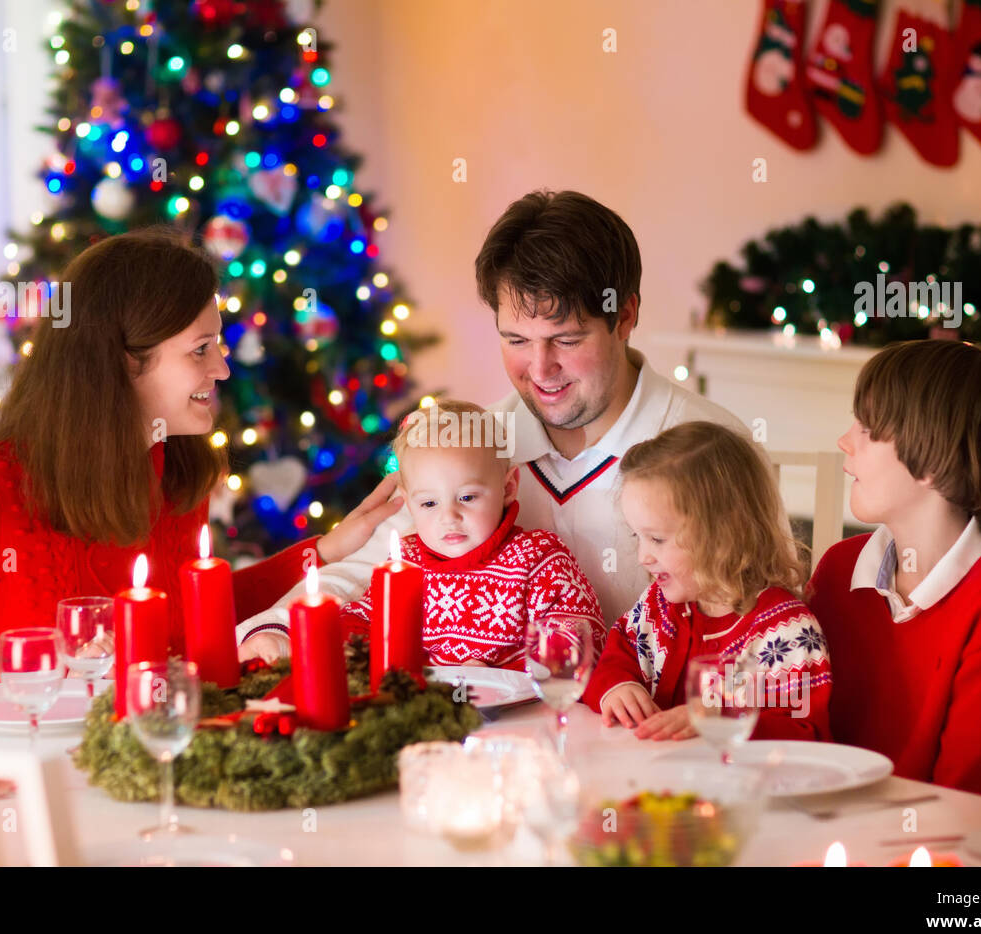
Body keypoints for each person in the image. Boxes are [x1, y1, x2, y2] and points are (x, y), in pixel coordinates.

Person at [0, 229, 399, 711]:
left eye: (220, 345)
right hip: (5, 786)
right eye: (201, 349)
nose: (223, 368)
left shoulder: (174, 471)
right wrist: (55, 683)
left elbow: (195, 611)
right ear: (122, 361)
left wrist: (326, 551)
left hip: (125, 769)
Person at [238, 189, 749, 658]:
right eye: (516, 341)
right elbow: (369, 569)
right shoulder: (474, 443)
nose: (541, 370)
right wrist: (277, 628)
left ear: (625, 317)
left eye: (566, 340)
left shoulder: (708, 447)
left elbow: (755, 624)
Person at [806, 339, 981, 807]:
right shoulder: (839, 568)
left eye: (868, 428)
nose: (846, 440)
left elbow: (962, 803)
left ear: (931, 460)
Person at [582, 422, 832, 742]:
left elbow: (805, 732)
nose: (643, 556)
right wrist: (618, 687)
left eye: (657, 539)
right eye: (638, 536)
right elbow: (618, 656)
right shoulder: (657, 606)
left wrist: (720, 718)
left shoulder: (786, 629)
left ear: (723, 536)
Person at [336, 400, 604, 667]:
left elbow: (578, 644)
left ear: (508, 488)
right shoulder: (405, 565)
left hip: (520, 706)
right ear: (409, 503)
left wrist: (495, 676)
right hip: (425, 704)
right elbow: (363, 619)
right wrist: (353, 648)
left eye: (466, 497)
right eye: (429, 503)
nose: (449, 517)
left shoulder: (537, 558)